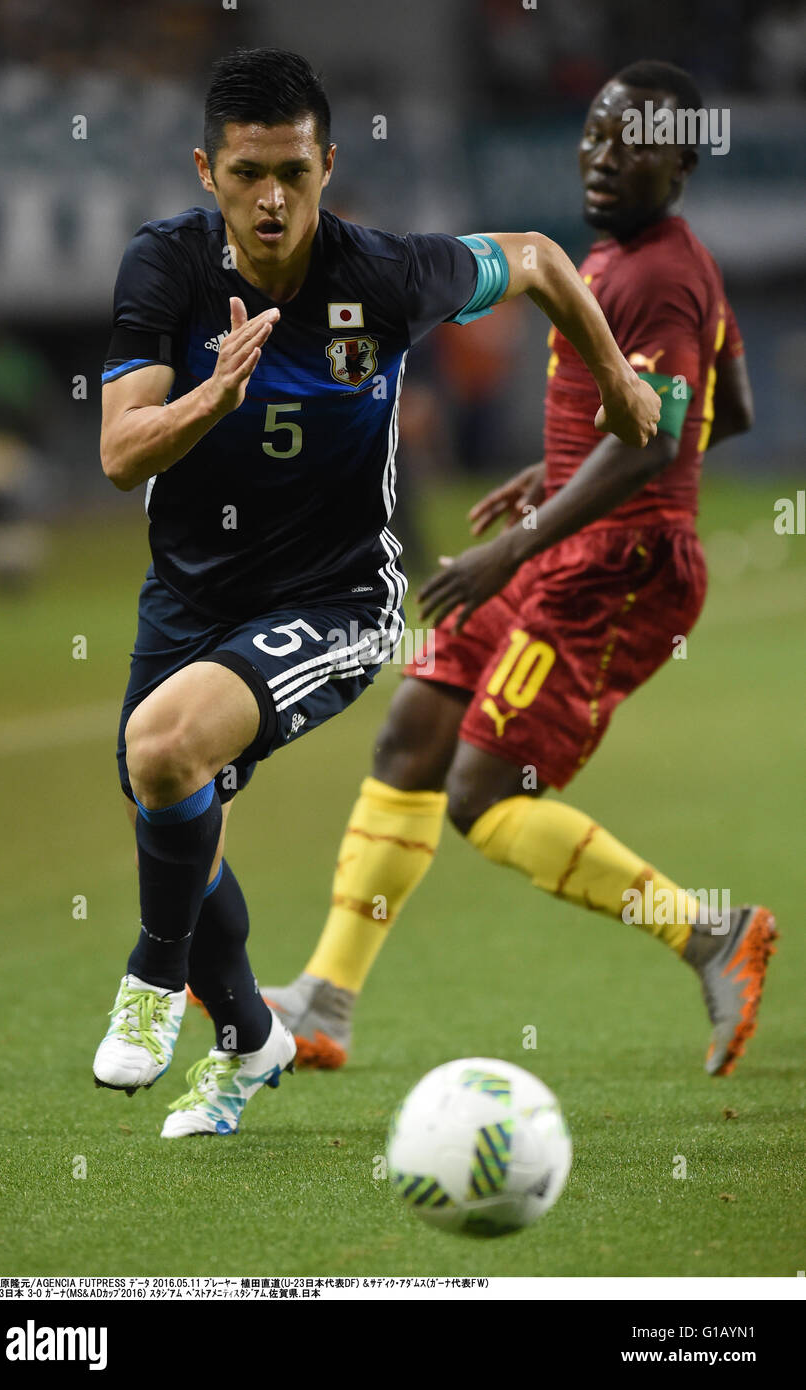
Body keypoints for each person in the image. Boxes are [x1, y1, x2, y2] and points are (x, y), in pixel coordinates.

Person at [91, 47, 660, 1139]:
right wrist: (214, 396)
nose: (272, 200)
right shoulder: (162, 268)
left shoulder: (388, 275)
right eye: (249, 173)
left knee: (161, 753)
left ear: (327, 166)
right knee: (175, 813)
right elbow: (122, 455)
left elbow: (539, 258)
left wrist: (618, 374)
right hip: (188, 598)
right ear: (207, 170)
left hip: (337, 597)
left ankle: (153, 978)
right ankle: (252, 1039)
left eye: (294, 175)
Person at [265, 61, 776, 1077]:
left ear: (680, 158)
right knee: (412, 729)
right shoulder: (643, 258)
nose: (599, 154)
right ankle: (324, 1000)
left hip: (615, 568)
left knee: (486, 793)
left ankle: (712, 934)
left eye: (629, 140)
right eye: (592, 134)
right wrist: (564, 463)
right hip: (571, 541)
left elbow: (653, 443)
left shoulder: (653, 275)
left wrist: (514, 543)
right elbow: (726, 410)